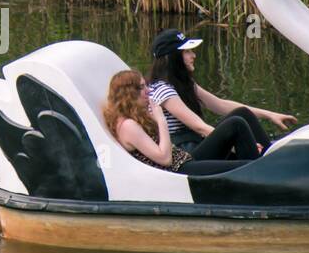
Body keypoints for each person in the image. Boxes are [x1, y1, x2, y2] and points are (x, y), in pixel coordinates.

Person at [148, 28, 297, 161]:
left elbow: (220, 105)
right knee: (235, 125)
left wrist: (270, 115)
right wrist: (236, 143)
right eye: (187, 52)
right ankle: (261, 165)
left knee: (241, 113)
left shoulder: (184, 84)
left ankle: (268, 156)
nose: (193, 55)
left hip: (197, 143)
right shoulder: (162, 90)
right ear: (171, 58)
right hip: (185, 155)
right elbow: (199, 127)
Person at [103, 69, 252, 176]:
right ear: (128, 93)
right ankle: (259, 177)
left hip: (185, 159)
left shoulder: (136, 116)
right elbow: (165, 159)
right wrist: (161, 120)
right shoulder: (127, 126)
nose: (148, 91)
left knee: (236, 123)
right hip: (179, 171)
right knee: (247, 167)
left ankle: (258, 166)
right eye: (142, 87)